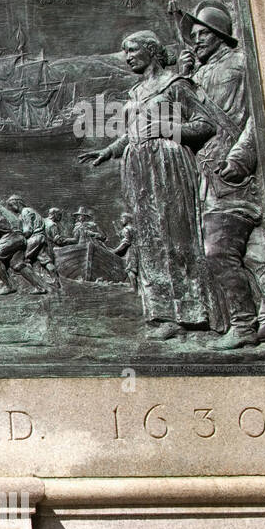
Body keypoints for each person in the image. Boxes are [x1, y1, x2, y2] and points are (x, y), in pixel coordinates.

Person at [79, 29, 222, 340]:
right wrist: (109, 151)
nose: (127, 57)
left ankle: (192, 313)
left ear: (152, 51)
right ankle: (161, 313)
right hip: (138, 168)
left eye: (132, 50)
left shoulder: (176, 85)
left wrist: (168, 128)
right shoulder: (134, 93)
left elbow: (207, 125)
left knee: (175, 236)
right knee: (149, 240)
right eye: (124, 52)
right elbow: (132, 131)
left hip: (168, 164)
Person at [177, 0, 265, 348]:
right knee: (247, 252)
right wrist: (186, 79)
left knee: (218, 252)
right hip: (207, 174)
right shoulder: (200, 73)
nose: (196, 40)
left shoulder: (239, 64)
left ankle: (244, 324)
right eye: (193, 34)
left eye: (202, 33)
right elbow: (186, 123)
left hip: (231, 173)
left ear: (220, 35)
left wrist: (241, 158)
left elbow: (256, 117)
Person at [112, 211, 138, 291]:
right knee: (134, 269)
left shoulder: (126, 229)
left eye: (123, 218)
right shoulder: (133, 228)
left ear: (127, 219)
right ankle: (135, 288)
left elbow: (126, 242)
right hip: (136, 250)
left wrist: (115, 251)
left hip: (130, 251)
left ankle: (134, 289)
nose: (121, 220)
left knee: (130, 269)